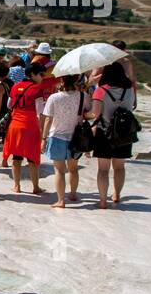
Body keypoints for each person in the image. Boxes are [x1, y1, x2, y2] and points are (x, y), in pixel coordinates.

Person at [87, 62, 137, 208]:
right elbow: (131, 106)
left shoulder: (101, 90)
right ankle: (117, 195)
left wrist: (84, 115)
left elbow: (95, 114)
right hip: (124, 133)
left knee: (103, 169)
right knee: (120, 167)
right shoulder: (129, 89)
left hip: (105, 132)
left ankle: (102, 201)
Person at [2, 63, 49, 194]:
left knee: (16, 158)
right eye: (41, 74)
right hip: (30, 126)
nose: (42, 77)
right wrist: (42, 131)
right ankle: (35, 187)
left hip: (15, 126)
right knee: (32, 158)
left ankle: (16, 186)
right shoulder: (37, 89)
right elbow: (40, 112)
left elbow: (9, 104)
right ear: (32, 74)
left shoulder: (15, 86)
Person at [40, 74, 86, 208]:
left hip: (57, 137)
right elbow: (88, 112)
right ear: (77, 80)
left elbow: (48, 119)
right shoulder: (83, 96)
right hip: (76, 137)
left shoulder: (54, 97)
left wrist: (43, 139)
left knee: (59, 170)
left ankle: (61, 200)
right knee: (73, 169)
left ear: (61, 80)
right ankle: (73, 194)